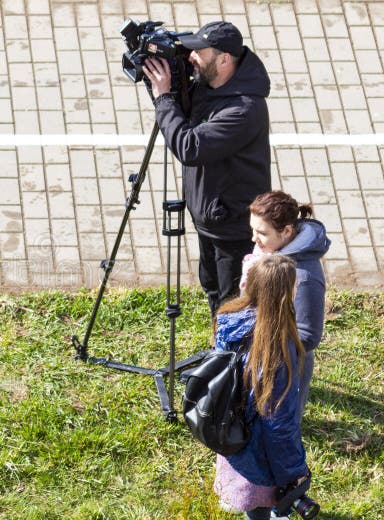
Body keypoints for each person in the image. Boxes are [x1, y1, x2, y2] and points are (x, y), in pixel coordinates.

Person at [144, 21, 272, 315]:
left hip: (232, 227)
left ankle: (232, 357)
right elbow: (180, 112)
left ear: (224, 59)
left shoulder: (243, 109)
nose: (191, 58)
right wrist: (165, 80)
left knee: (233, 303)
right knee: (212, 289)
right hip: (210, 217)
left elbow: (188, 147)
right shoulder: (210, 84)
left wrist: (163, 96)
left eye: (198, 53)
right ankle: (219, 349)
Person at [212, 255, 311, 520]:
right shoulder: (279, 350)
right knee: (259, 512)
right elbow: (279, 423)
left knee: (250, 506)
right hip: (260, 457)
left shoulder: (229, 318)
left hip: (230, 436)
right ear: (284, 296)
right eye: (294, 286)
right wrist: (295, 472)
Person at [242, 191, 331, 420]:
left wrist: (267, 341)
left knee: (282, 424)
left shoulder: (304, 277)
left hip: (287, 364)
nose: (254, 239)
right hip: (260, 347)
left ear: (287, 231)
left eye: (262, 232)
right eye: (253, 230)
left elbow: (308, 336)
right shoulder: (270, 250)